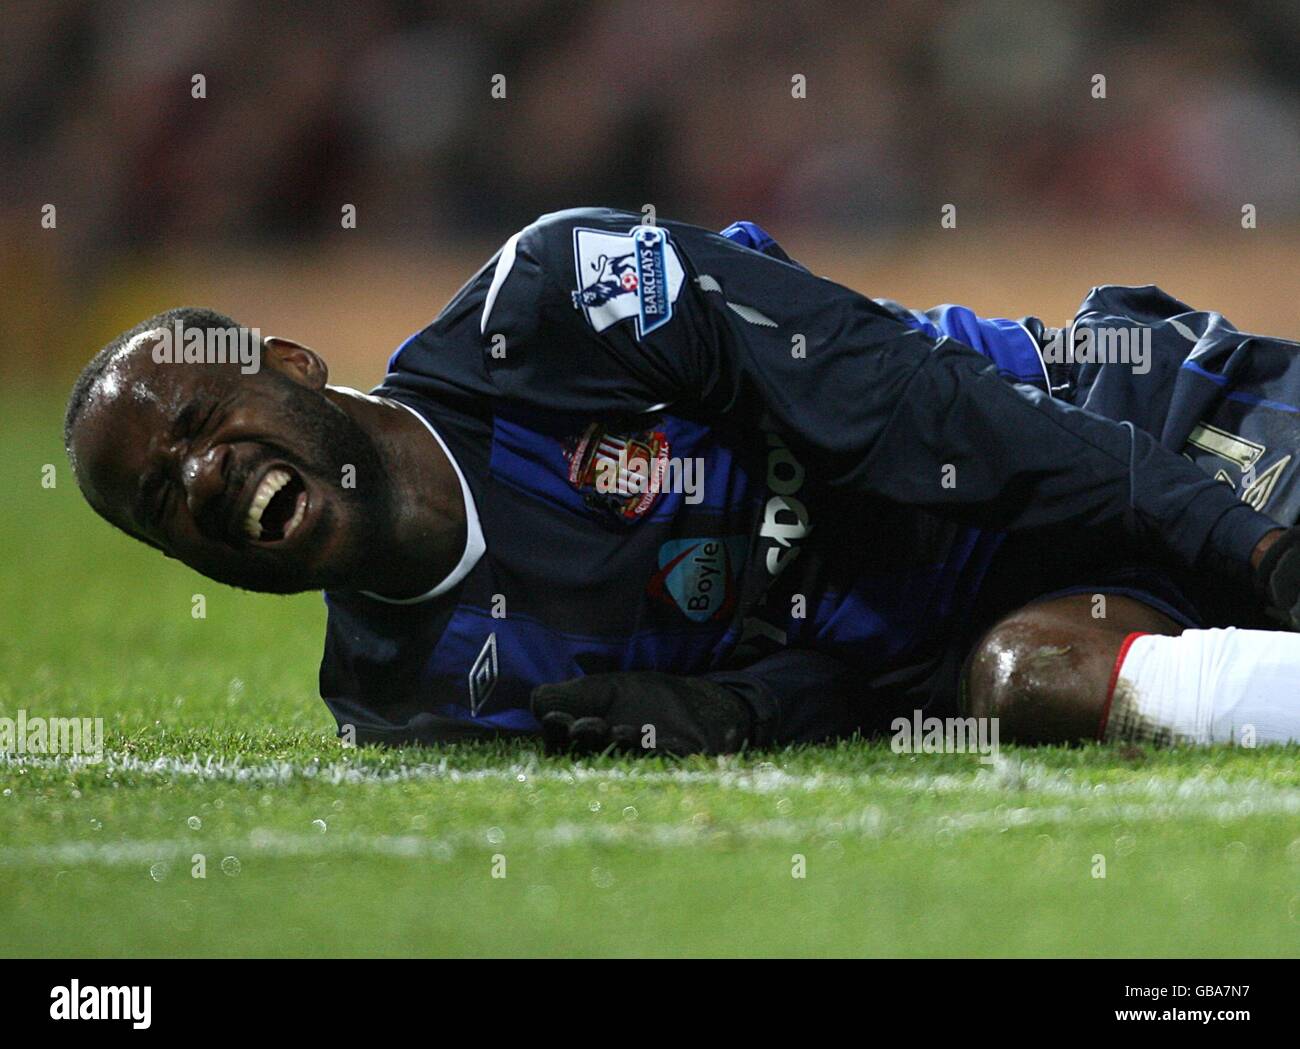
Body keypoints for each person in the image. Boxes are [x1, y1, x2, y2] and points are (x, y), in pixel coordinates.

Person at [63, 208, 1300, 754]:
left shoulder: (552, 303)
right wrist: (759, 711)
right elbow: (858, 689)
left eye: (202, 418)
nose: (203, 472)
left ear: (288, 362)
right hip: (982, 626)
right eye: (162, 495)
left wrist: (1242, 544)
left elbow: (925, 409)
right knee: (1027, 677)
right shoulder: (402, 700)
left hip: (1103, 418)